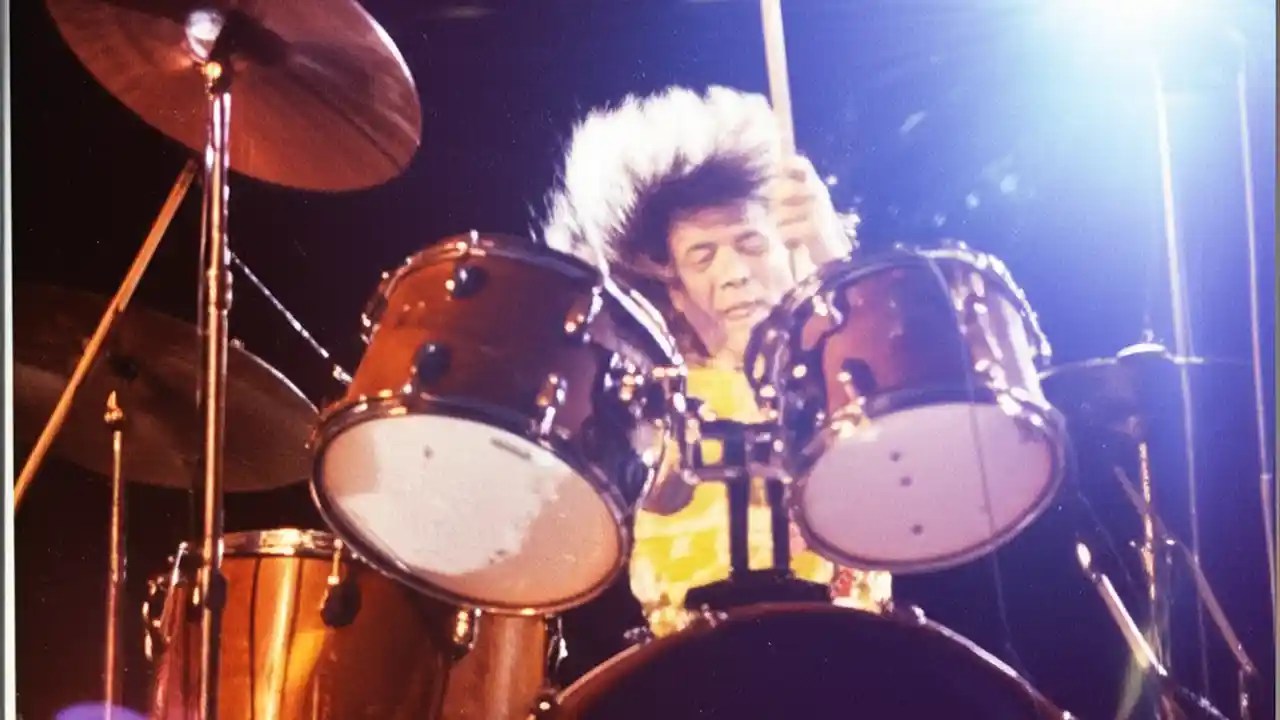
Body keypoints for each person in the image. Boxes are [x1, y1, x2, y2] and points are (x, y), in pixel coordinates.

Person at [542, 85, 892, 638]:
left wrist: (835, 264)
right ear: (676, 292)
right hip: (692, 672)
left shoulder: (843, 378)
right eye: (702, 257)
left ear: (791, 248)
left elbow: (920, 400)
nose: (732, 273)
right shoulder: (653, 399)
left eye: (752, 244)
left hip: (848, 655)